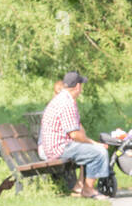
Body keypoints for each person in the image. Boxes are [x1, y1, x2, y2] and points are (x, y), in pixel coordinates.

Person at [38, 71, 110, 199]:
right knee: (99, 152)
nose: (81, 88)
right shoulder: (67, 102)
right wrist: (94, 143)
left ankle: (82, 186)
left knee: (93, 150)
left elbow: (76, 131)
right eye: (81, 85)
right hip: (59, 149)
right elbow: (75, 135)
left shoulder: (63, 98)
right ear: (77, 86)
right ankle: (88, 190)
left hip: (56, 146)